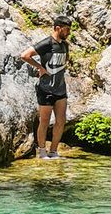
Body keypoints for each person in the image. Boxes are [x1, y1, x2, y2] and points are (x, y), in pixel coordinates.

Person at [20, 16, 72, 159]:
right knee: (44, 121)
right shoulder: (46, 43)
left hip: (60, 89)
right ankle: (42, 151)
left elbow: (64, 62)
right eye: (66, 29)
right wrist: (40, 68)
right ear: (57, 28)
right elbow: (25, 55)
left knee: (61, 120)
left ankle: (54, 151)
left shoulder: (65, 45)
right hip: (46, 89)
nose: (68, 33)